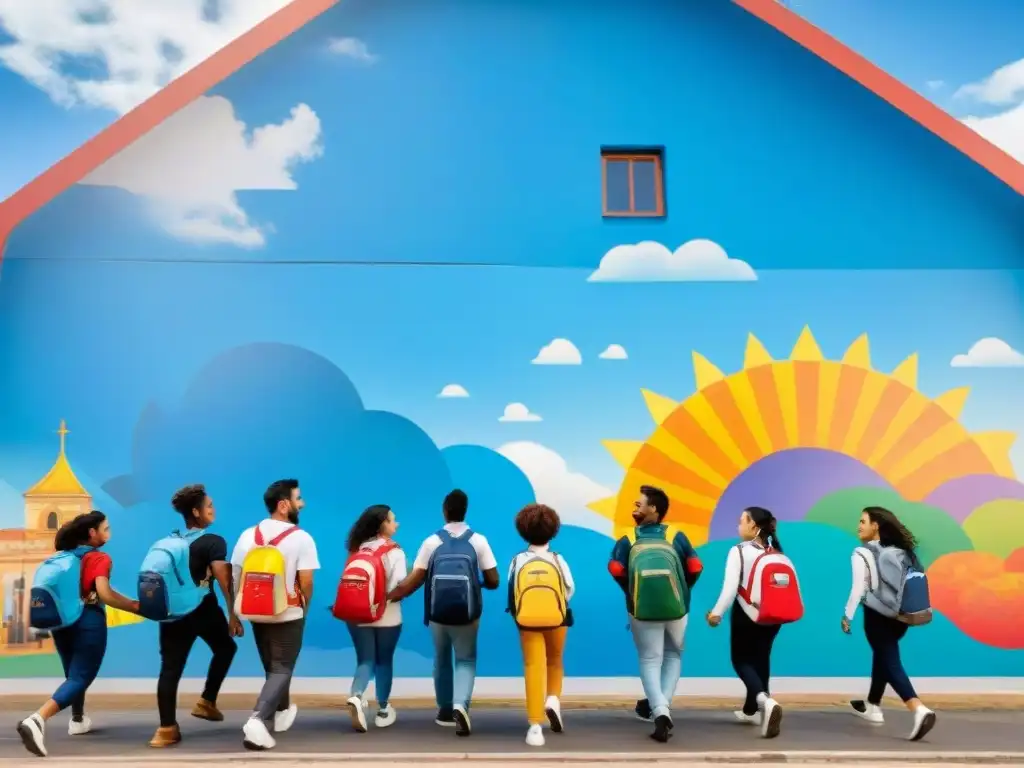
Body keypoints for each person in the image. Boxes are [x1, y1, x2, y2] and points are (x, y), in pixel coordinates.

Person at [17, 511, 141, 757]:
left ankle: (77, 719)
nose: (109, 533)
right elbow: (104, 594)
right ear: (92, 533)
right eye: (105, 528)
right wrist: (136, 606)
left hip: (62, 621)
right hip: (88, 619)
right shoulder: (98, 558)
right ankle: (37, 720)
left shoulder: (62, 557)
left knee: (73, 674)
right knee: (81, 676)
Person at [388, 489, 499, 736]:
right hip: (468, 612)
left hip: (438, 613)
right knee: (466, 660)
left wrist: (390, 596)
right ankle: (462, 704)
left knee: (441, 660)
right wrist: (477, 583)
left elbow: (414, 580)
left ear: (445, 511)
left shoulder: (432, 542)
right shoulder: (478, 540)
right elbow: (494, 580)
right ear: (465, 511)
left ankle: (445, 710)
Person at [230, 479, 320, 751]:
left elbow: (236, 575)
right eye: (298, 498)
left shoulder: (248, 535)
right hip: (287, 610)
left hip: (255, 610)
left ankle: (281, 713)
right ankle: (257, 720)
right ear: (284, 505)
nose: (301, 503)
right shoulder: (301, 537)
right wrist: (304, 607)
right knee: (283, 667)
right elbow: (306, 581)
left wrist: (235, 611)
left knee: (273, 667)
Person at [608, 486, 703, 743]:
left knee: (650, 659)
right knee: (673, 656)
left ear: (654, 509)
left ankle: (659, 711)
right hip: (678, 608)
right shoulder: (675, 535)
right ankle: (662, 708)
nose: (635, 508)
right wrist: (682, 591)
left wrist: (632, 592)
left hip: (641, 610)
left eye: (639, 504)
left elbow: (615, 567)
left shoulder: (629, 537)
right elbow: (695, 565)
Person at [150, 484, 242, 748]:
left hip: (171, 613)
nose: (213, 510)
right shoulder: (213, 541)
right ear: (196, 511)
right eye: (209, 505)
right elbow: (224, 578)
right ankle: (206, 701)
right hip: (202, 608)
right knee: (226, 648)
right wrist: (233, 614)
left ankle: (166, 729)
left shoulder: (171, 542)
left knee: (170, 669)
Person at [842, 506, 936, 741]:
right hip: (902, 617)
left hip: (878, 615)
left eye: (863, 521)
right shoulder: (905, 551)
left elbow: (859, 588)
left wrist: (847, 615)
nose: (859, 526)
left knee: (890, 660)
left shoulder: (864, 553)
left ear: (876, 526)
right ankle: (872, 705)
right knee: (883, 655)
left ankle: (918, 709)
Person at [707, 506, 785, 739]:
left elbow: (730, 589)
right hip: (773, 616)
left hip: (746, 614)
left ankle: (765, 701)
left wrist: (716, 614)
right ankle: (752, 710)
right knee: (761, 659)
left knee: (741, 660)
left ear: (754, 526)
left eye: (742, 520)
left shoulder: (739, 551)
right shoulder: (776, 552)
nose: (739, 525)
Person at [507, 503, 575, 747]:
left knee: (533, 666)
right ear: (553, 530)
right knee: (555, 660)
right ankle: (553, 699)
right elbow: (569, 589)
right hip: (557, 619)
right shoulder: (558, 559)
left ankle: (535, 727)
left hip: (527, 622)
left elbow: (512, 591)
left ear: (523, 530)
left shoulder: (517, 561)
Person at [342, 504, 407, 732]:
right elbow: (399, 585)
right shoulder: (396, 552)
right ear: (382, 525)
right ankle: (383, 710)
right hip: (387, 617)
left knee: (365, 660)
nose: (396, 524)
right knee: (384, 661)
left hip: (357, 615)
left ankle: (357, 696)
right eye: (392, 520)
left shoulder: (357, 549)